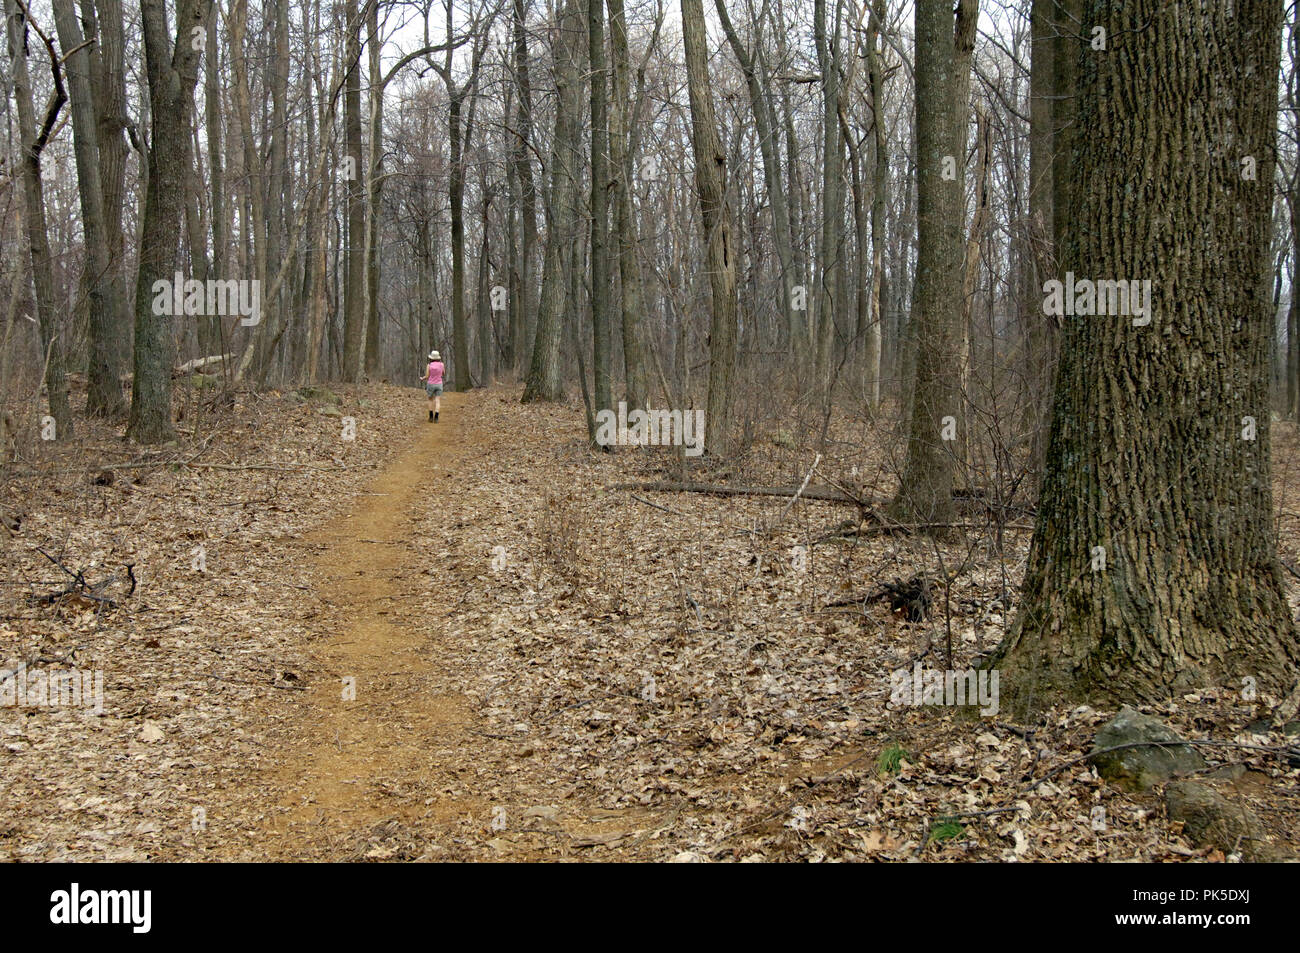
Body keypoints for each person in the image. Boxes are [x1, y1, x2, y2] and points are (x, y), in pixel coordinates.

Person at [420, 350, 445, 422]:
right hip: (439, 384)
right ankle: (436, 417)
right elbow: (443, 373)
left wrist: (423, 378)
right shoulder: (441, 364)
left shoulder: (429, 365)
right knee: (438, 400)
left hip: (431, 384)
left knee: (430, 400)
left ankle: (431, 417)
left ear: (431, 358)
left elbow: (427, 376)